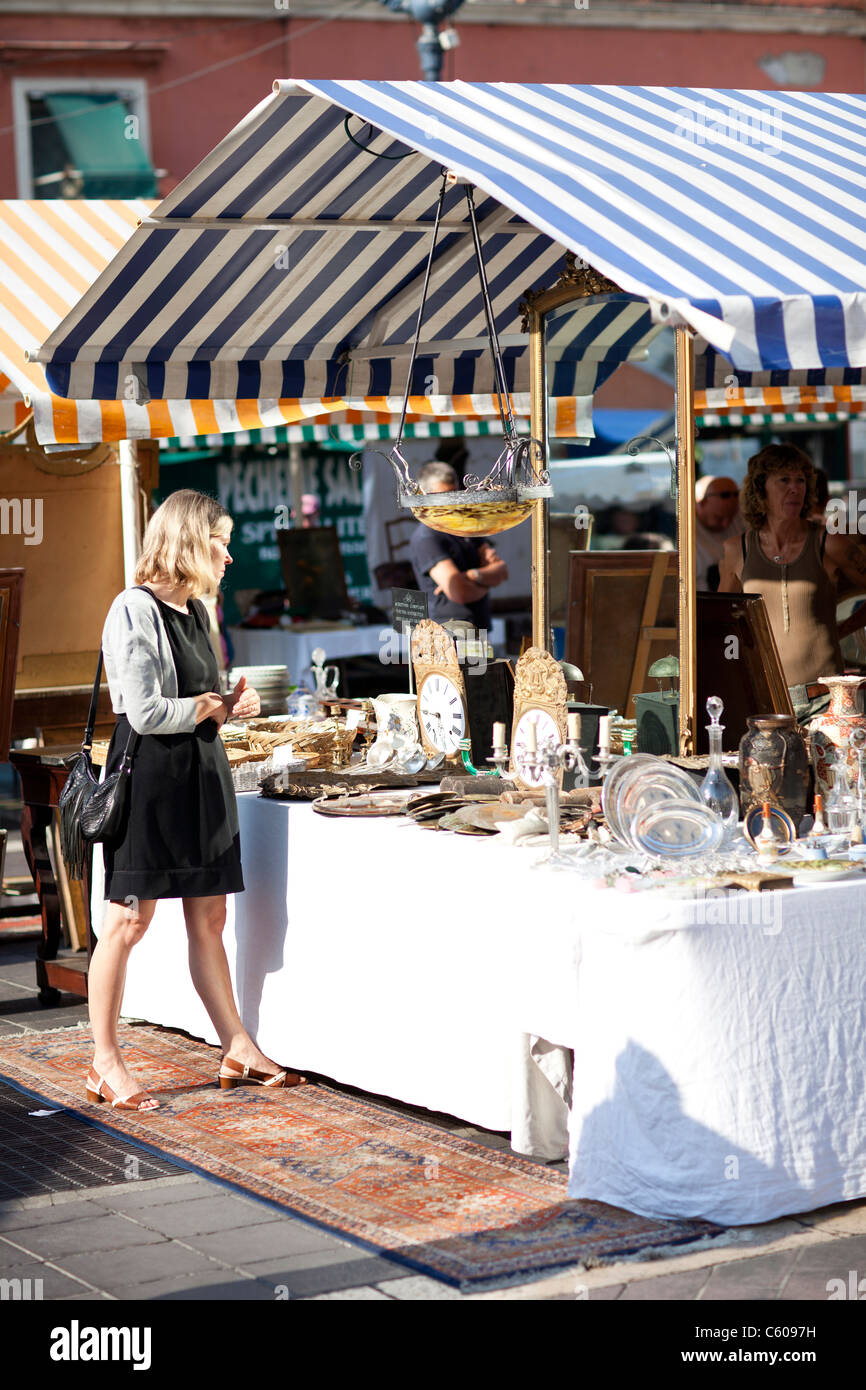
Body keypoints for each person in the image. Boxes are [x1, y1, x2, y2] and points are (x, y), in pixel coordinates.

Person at [87, 490, 305, 1111]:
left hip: (202, 776)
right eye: (222, 542)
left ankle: (237, 1044)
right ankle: (104, 1062)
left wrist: (229, 706)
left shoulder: (197, 612)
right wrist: (208, 706)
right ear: (190, 542)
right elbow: (144, 710)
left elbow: (198, 703)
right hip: (150, 780)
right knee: (128, 923)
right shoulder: (134, 609)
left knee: (209, 920)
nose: (230, 556)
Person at [719, 444, 866, 722]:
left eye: (800, 480)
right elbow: (720, 624)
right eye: (784, 480)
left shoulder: (829, 543)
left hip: (827, 701)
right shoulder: (736, 550)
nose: (795, 488)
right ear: (761, 488)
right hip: (764, 701)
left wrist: (846, 627)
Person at [407, 460, 508, 634]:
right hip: (449, 635)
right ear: (426, 496)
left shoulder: (464, 527)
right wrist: (485, 581)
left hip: (479, 629)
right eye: (445, 495)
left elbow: (502, 571)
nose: (452, 502)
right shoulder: (428, 537)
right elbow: (459, 591)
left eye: (455, 493)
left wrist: (471, 575)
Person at [695, 474, 744, 590]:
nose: (725, 524)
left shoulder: (741, 520)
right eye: (719, 518)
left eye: (730, 518)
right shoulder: (686, 532)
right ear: (702, 503)